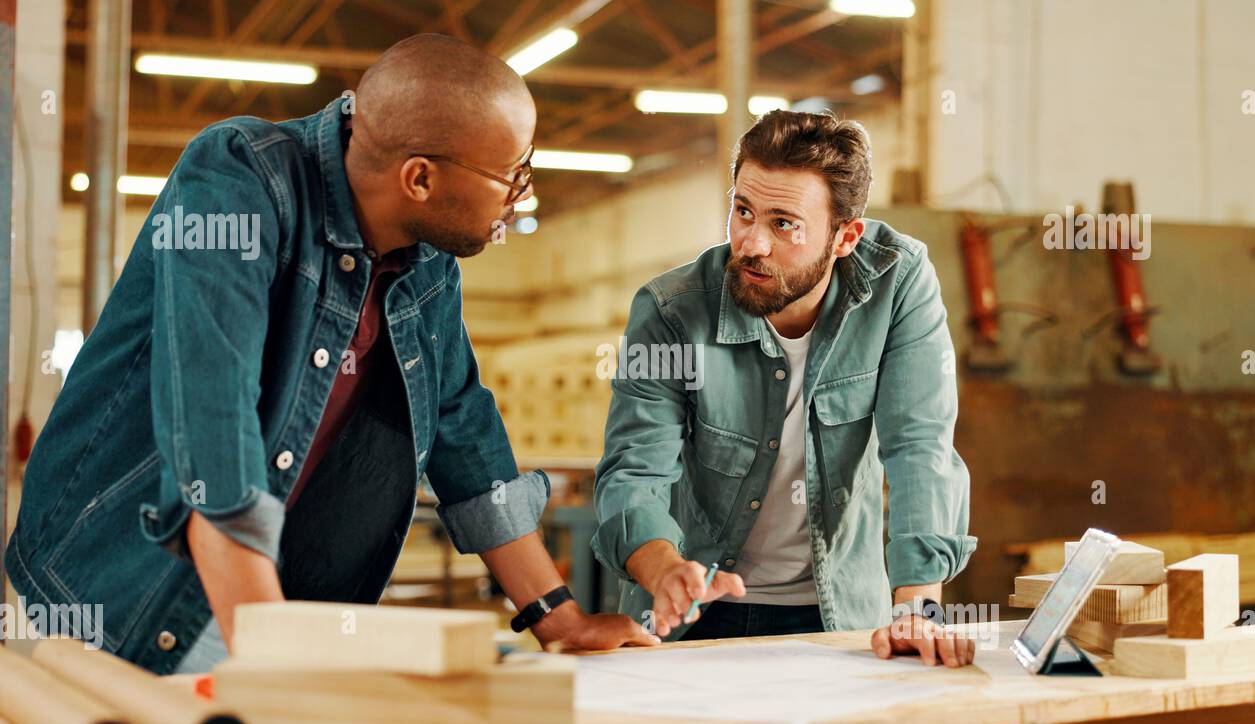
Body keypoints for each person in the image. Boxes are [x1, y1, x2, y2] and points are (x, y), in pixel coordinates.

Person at [5, 34, 655, 674]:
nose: (521, 193)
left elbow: (464, 430)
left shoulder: (427, 265)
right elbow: (212, 423)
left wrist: (561, 619)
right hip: (123, 590)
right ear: (420, 178)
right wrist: (281, 672)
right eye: (509, 172)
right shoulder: (240, 179)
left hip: (274, 597)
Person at [591, 110, 977, 666]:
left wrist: (918, 609)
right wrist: (663, 567)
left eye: (783, 224)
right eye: (742, 211)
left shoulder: (898, 283)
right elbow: (635, 467)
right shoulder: (670, 311)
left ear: (845, 237)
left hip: (838, 615)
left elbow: (920, 447)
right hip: (690, 615)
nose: (751, 244)